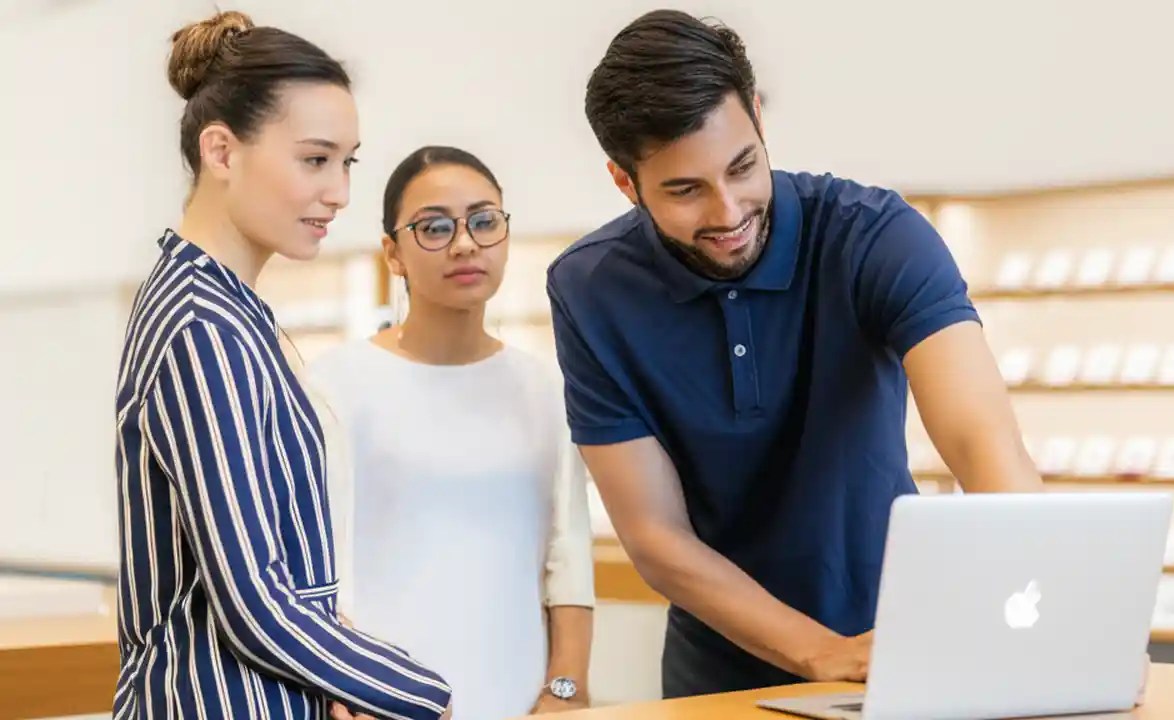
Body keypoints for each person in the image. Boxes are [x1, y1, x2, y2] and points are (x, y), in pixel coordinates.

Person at [547, 9, 1045, 699]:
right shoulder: (591, 288)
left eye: (742, 166)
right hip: (717, 669)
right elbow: (657, 536)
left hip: (895, 640)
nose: (727, 212)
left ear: (756, 115)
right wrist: (817, 652)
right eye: (685, 190)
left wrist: (1054, 626)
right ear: (624, 183)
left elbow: (982, 442)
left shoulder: (874, 236)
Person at [113, 12, 451, 719]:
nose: (340, 192)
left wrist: (343, 672)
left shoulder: (224, 308)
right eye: (314, 159)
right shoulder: (201, 323)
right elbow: (254, 604)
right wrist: (420, 698)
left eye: (347, 162)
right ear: (222, 152)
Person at [306, 146, 596, 719]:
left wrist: (565, 692)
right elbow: (311, 572)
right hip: (378, 704)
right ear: (393, 254)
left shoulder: (545, 388)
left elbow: (569, 559)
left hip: (521, 703)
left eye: (484, 221)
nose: (465, 243)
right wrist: (341, 690)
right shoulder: (331, 386)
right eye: (434, 227)